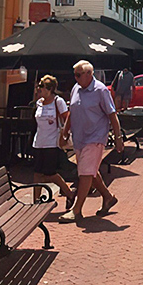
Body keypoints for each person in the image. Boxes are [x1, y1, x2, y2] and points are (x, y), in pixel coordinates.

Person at [59, 60, 123, 222]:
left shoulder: (100, 90)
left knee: (86, 173)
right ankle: (108, 197)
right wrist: (65, 133)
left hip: (95, 137)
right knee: (90, 172)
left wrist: (118, 137)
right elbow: (72, 112)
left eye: (78, 75)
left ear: (89, 74)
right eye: (75, 75)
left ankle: (77, 210)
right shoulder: (76, 88)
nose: (75, 78)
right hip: (79, 138)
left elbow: (112, 114)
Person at [32, 75, 76, 208]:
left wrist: (64, 135)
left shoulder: (58, 101)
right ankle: (36, 201)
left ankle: (69, 193)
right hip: (38, 142)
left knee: (50, 173)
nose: (39, 89)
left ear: (50, 89)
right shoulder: (39, 102)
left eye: (42, 87)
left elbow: (67, 119)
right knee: (37, 173)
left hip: (52, 143)